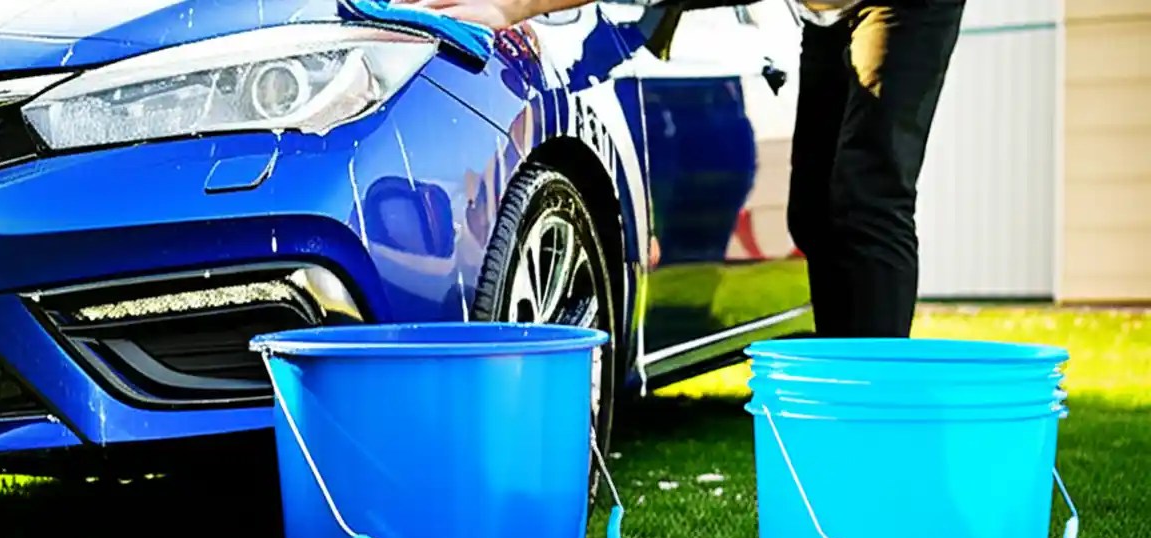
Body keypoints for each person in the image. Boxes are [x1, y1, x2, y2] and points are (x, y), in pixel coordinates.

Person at [393, 0, 966, 338]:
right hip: (826, 15)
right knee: (814, 212)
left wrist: (507, 8)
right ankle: (841, 380)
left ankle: (878, 407)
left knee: (867, 194)